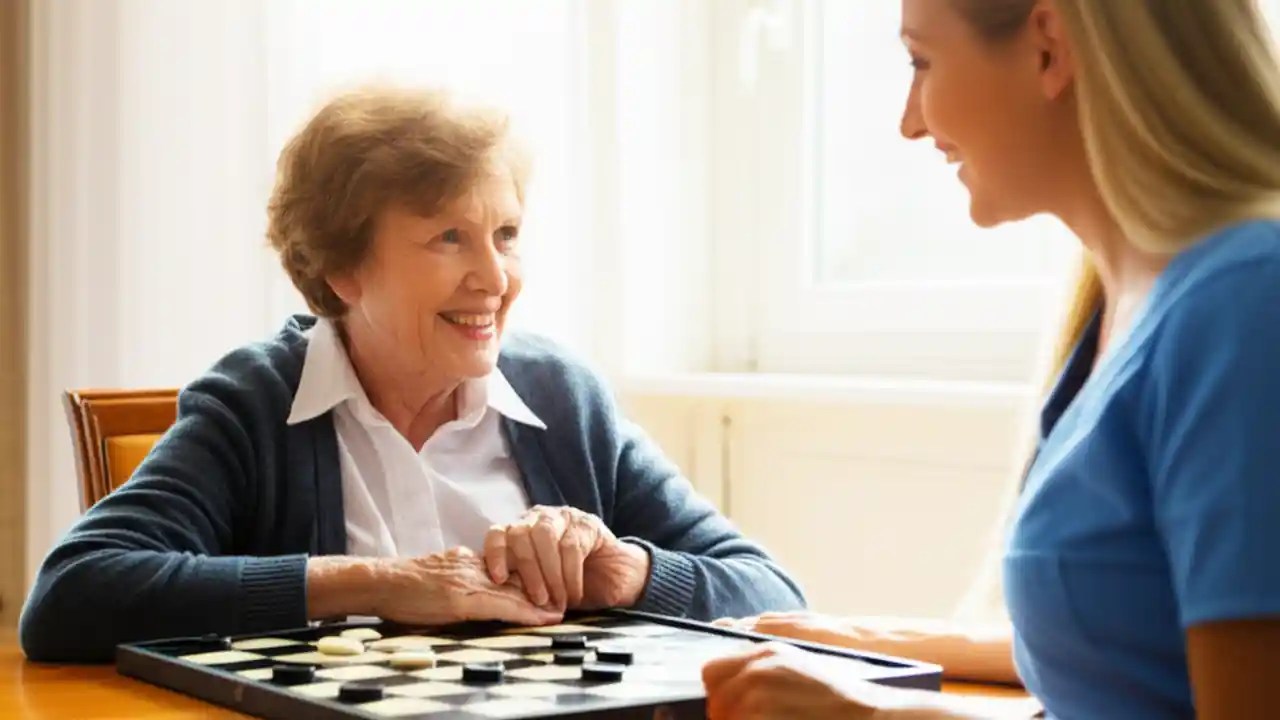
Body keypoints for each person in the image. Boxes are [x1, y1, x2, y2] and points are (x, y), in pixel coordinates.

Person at [19, 86, 805, 663]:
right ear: (342, 268)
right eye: (449, 239)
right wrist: (376, 584)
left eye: (505, 233)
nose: (494, 277)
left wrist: (631, 573)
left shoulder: (562, 398)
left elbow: (771, 593)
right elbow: (71, 597)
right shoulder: (256, 403)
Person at [706, 0, 1280, 717]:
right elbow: (1132, 638)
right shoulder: (1119, 304)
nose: (910, 121)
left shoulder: (1245, 304)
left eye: (922, 61)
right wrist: (864, 639)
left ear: (1047, 47)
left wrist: (880, 717)